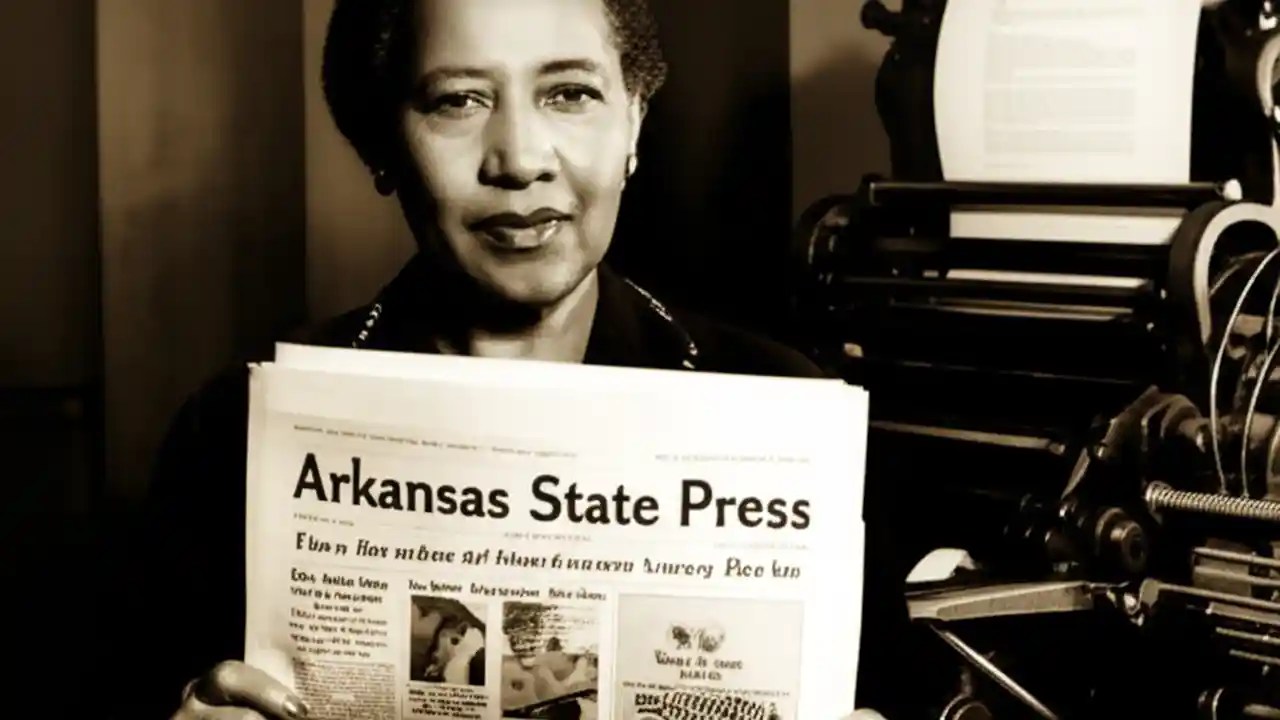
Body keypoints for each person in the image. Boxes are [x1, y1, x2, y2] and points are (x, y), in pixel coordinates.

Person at [114, 0, 882, 718]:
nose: (519, 159)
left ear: (634, 124)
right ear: (381, 144)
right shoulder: (233, 429)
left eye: (570, 93)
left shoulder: (782, 406)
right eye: (458, 100)